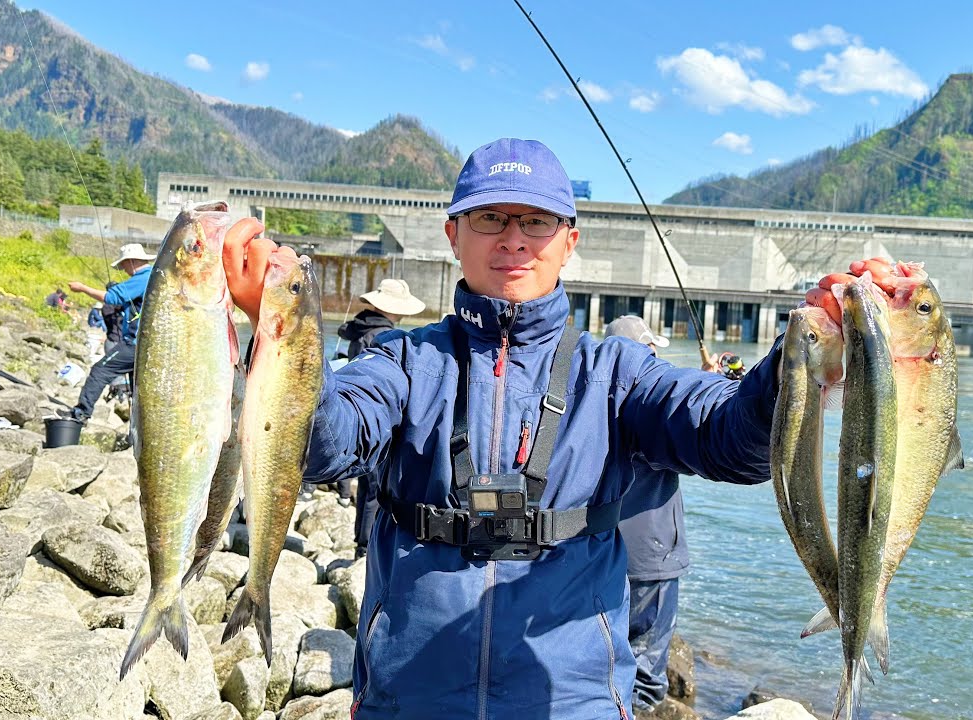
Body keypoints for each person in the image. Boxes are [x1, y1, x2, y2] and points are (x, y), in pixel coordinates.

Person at [221, 138, 784, 719]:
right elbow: (325, 446)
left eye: (536, 221)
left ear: (570, 241)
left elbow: (732, 441)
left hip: (573, 704)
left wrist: (799, 360)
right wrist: (282, 332)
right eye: (491, 217)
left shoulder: (615, 372)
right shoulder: (401, 361)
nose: (513, 237)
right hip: (407, 700)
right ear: (453, 234)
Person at [604, 314, 691, 715]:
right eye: (652, 349)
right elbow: (702, 448)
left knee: (610, 656)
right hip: (652, 556)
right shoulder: (656, 409)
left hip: (604, 553)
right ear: (644, 350)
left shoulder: (595, 400)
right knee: (646, 671)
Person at [329, 278, 427, 552]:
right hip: (378, 418)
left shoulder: (360, 328)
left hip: (355, 410)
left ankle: (360, 537)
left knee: (365, 481)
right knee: (375, 487)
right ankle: (366, 544)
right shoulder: (384, 336)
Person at [64, 243, 155, 422]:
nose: (123, 269)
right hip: (145, 345)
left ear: (131, 261)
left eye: (123, 265)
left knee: (100, 371)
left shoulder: (143, 277)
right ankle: (138, 428)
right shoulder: (152, 277)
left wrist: (82, 288)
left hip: (135, 345)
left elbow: (112, 298)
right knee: (137, 390)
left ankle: (81, 413)